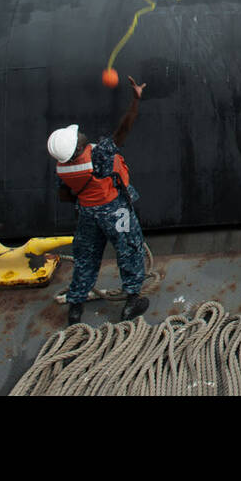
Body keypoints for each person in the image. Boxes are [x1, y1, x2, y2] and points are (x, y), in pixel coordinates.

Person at [49, 76, 150, 325]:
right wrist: (135, 100)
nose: (81, 134)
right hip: (116, 211)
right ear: (75, 146)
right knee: (130, 251)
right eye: (77, 136)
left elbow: (65, 195)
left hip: (87, 214)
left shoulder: (63, 168)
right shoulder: (99, 155)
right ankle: (132, 301)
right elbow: (123, 130)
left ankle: (75, 306)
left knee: (86, 259)